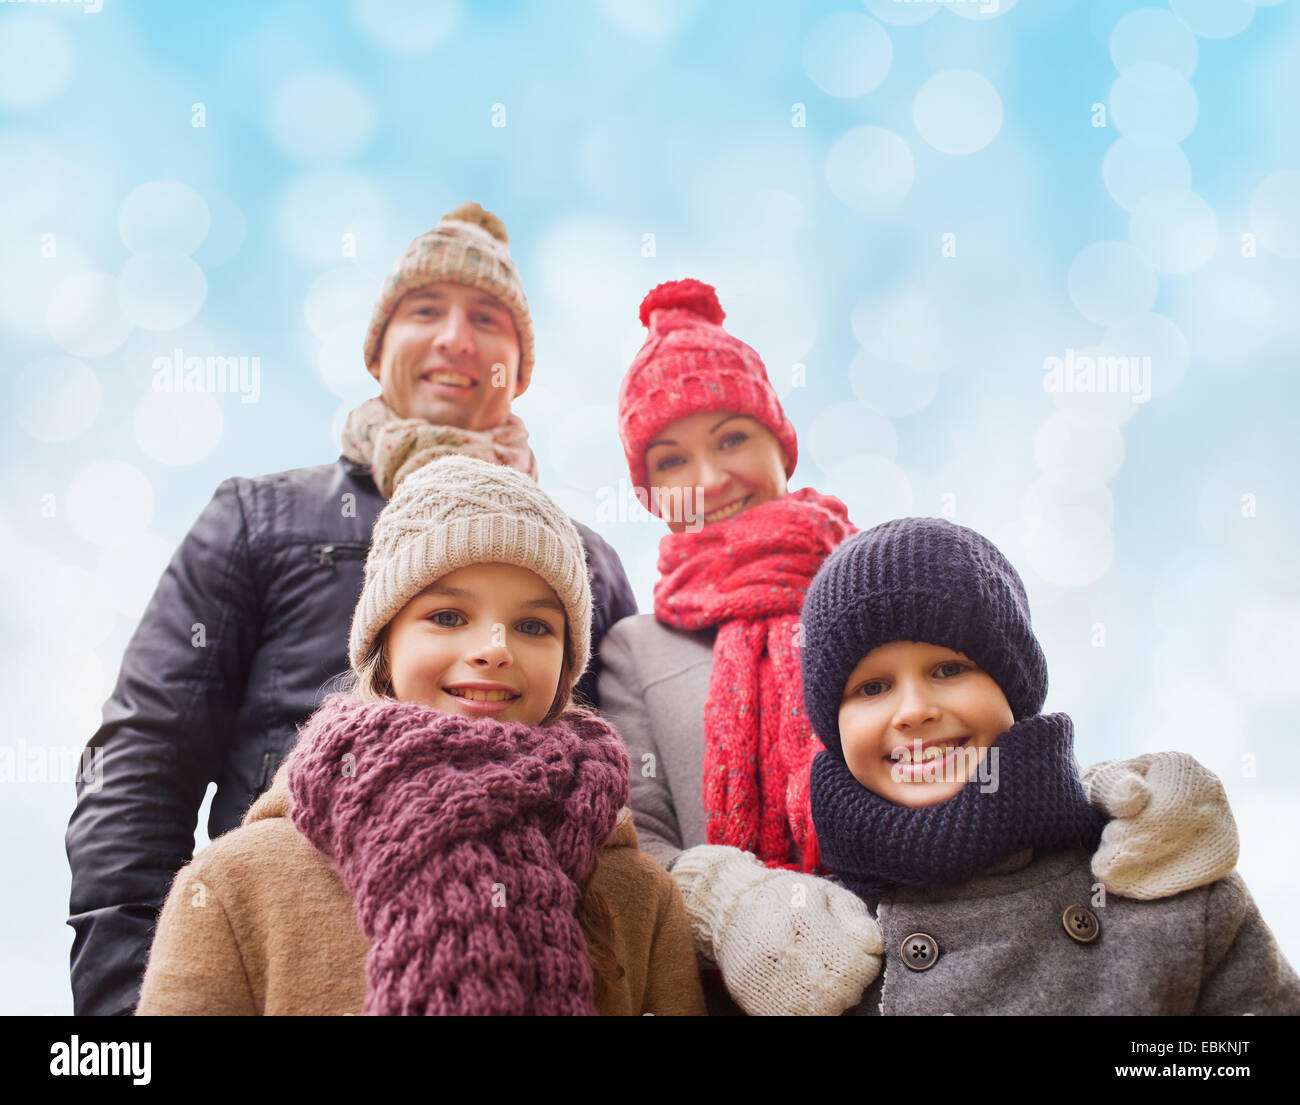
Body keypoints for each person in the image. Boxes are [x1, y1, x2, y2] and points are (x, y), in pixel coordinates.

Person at [597, 277, 1242, 1016]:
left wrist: (1114, 803)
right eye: (671, 459)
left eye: (732, 437)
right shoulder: (636, 647)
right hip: (748, 987)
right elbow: (639, 842)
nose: (709, 476)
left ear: (780, 441)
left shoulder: (882, 581)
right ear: (646, 489)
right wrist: (735, 904)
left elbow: (994, 731)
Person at [67, 203, 637, 1016]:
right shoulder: (260, 517)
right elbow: (144, 754)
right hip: (289, 956)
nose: (456, 338)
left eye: (487, 318)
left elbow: (622, 789)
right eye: (425, 310)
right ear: (378, 350)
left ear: (520, 365)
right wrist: (136, 1002)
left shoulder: (585, 562)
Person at [135, 455, 704, 1016]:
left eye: (534, 626)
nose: (495, 647)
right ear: (384, 645)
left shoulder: (639, 895)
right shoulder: (236, 885)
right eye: (449, 617)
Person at [802, 517, 1299, 1015]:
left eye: (949, 669)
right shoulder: (811, 946)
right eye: (872, 687)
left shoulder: (1164, 876)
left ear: (1013, 689)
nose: (912, 711)